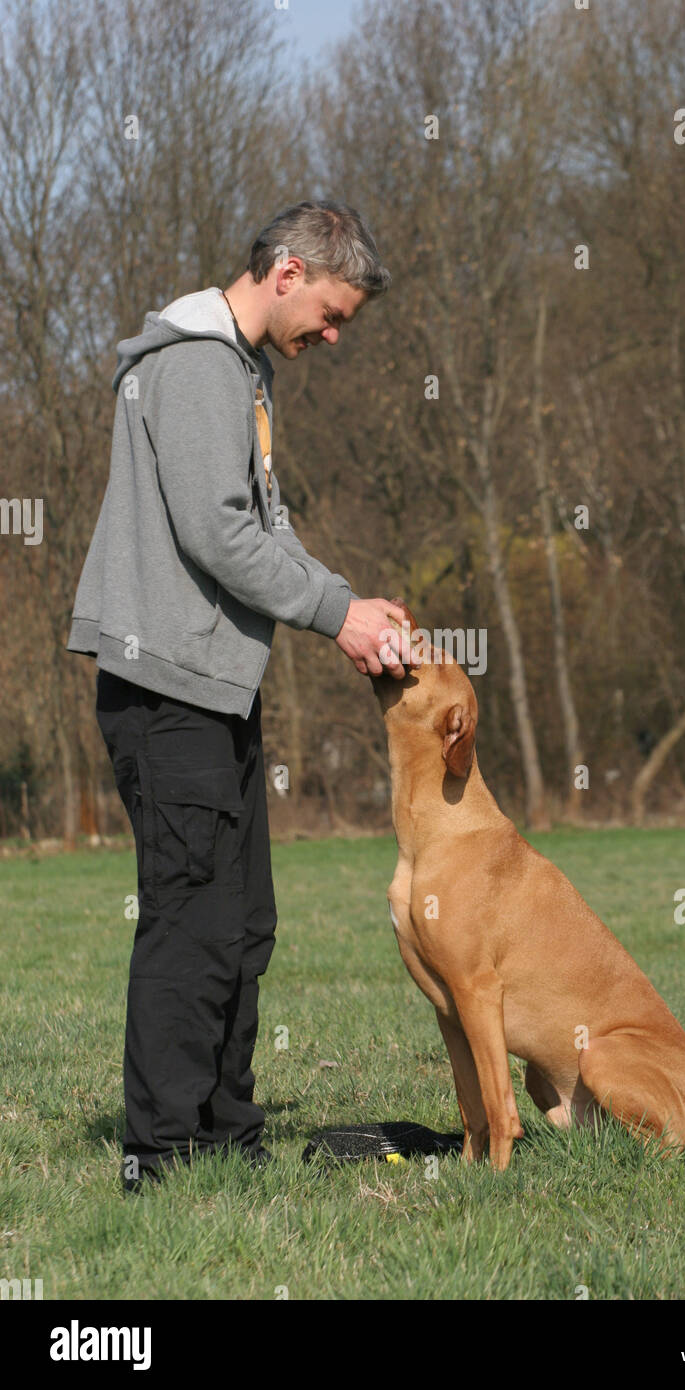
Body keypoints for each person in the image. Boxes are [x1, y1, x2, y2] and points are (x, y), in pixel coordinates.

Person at [67, 200, 417, 1192]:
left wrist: (351, 608)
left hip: (215, 685)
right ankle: (161, 1154)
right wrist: (334, 616)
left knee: (242, 919)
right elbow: (216, 534)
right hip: (164, 688)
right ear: (287, 272)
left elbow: (267, 525)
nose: (334, 335)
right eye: (332, 313)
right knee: (189, 919)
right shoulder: (193, 365)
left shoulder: (246, 373)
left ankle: (225, 1136)